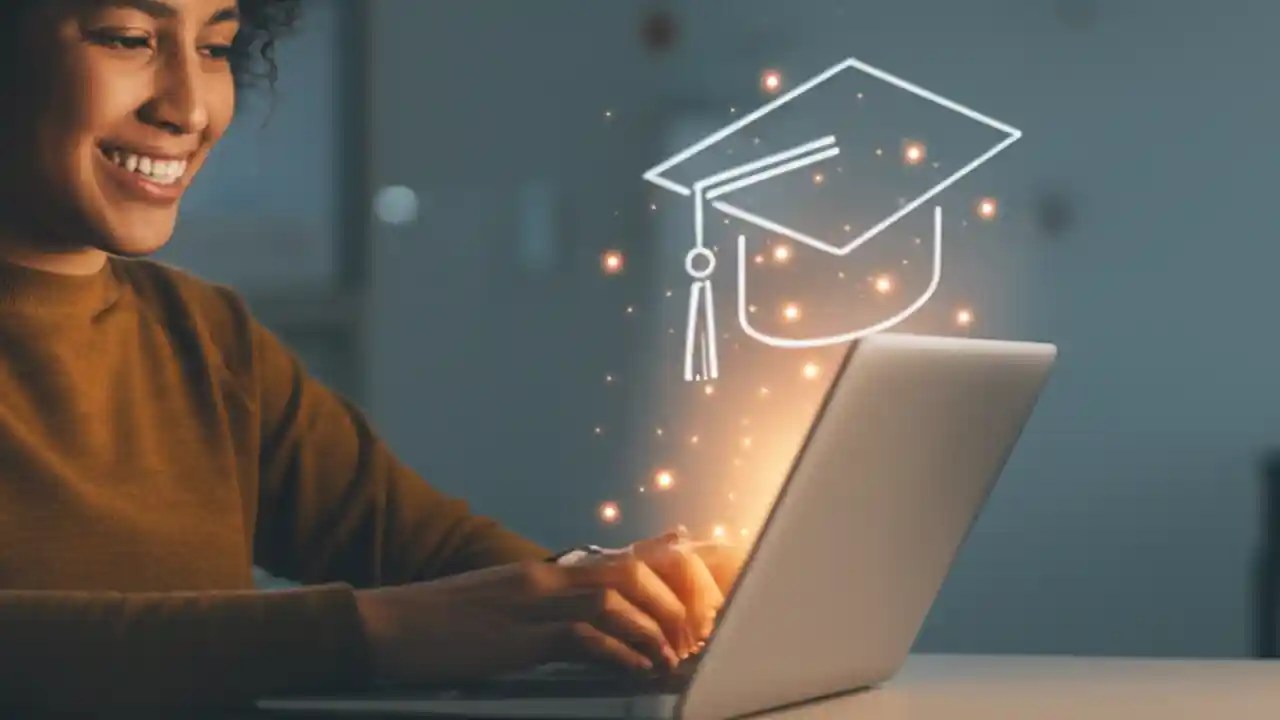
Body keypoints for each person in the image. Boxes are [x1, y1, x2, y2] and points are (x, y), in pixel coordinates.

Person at [0, 0, 745, 711]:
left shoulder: (202, 333)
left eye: (215, 48)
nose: (188, 109)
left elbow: (428, 549)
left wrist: (618, 595)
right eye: (129, 39)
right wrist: (374, 632)